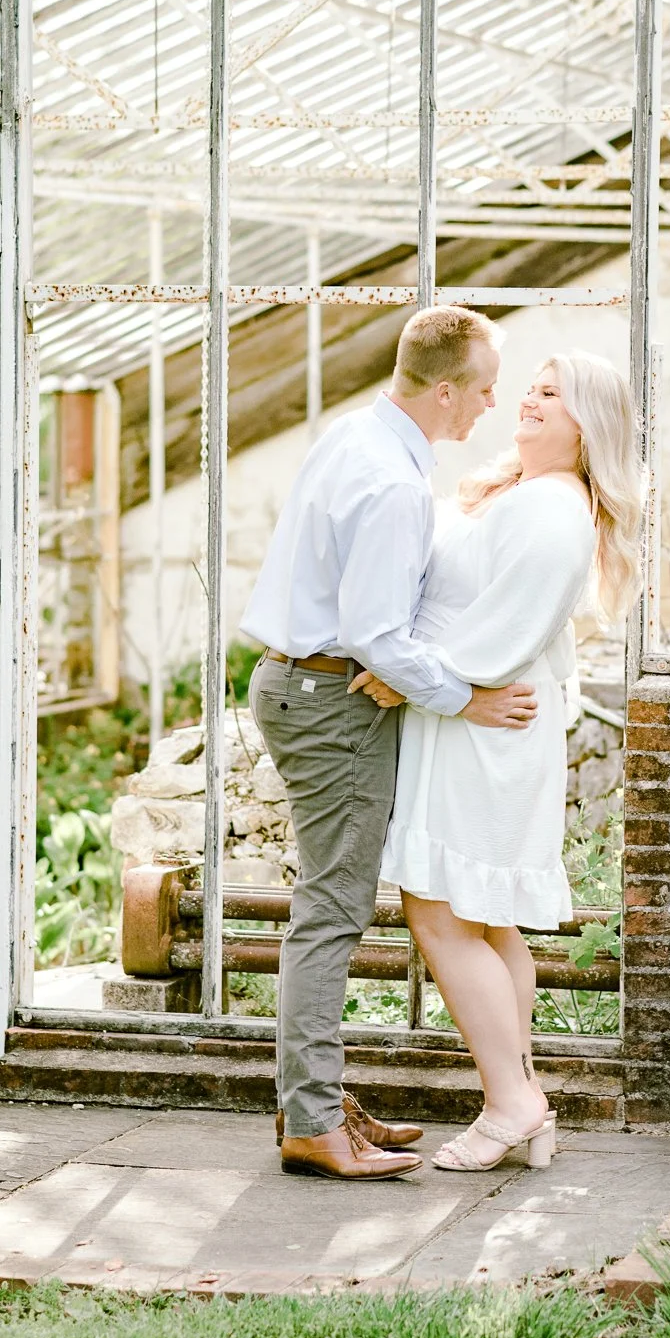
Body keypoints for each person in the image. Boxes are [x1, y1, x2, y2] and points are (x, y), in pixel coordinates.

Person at [241, 306, 538, 1180]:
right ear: (444, 391)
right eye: (483, 391)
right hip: (329, 700)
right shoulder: (394, 483)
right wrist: (465, 700)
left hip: (315, 683)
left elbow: (370, 624)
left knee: (330, 906)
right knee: (331, 912)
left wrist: (397, 661)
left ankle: (318, 1101)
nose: (489, 407)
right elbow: (377, 631)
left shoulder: (354, 436)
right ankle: (313, 1124)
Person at [359, 351, 642, 1171]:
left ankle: (511, 1104)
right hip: (485, 718)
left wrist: (409, 679)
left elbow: (503, 629)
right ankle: (520, 1099)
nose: (528, 400)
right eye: (530, 388)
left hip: (485, 727)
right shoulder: (530, 496)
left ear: (589, 426)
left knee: (440, 914)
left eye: (551, 395)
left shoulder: (550, 510)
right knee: (483, 918)